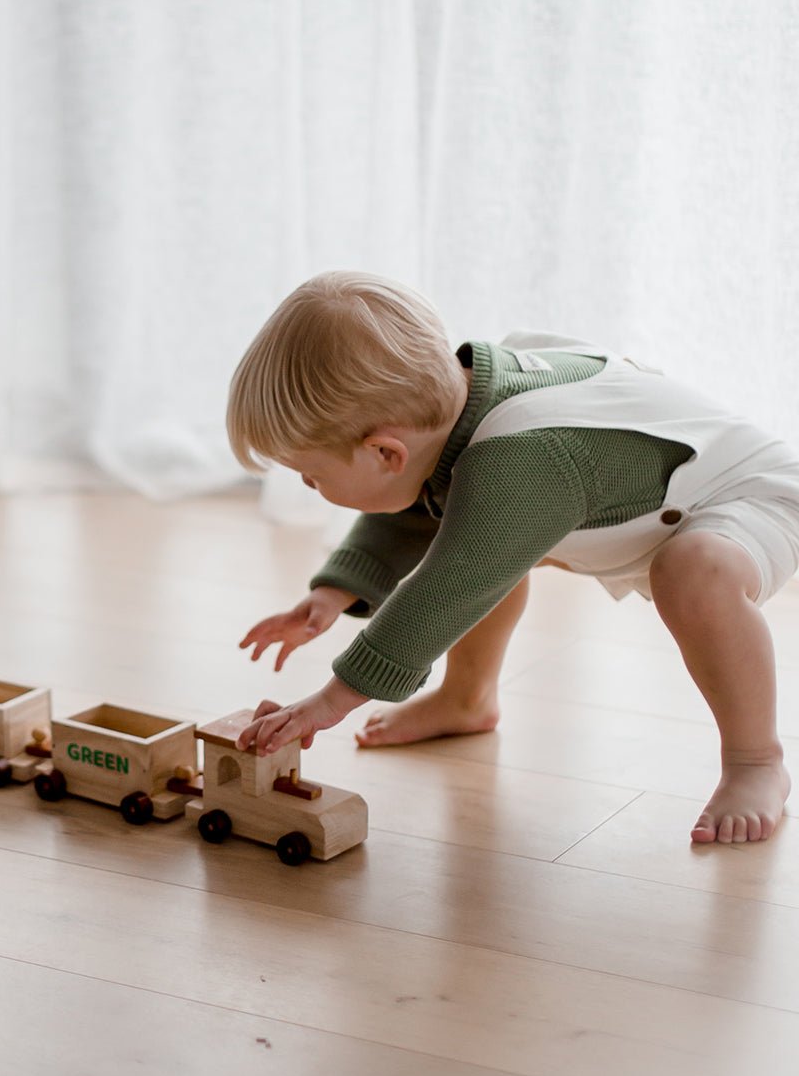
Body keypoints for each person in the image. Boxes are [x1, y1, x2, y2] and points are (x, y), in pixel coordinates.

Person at [226, 270, 799, 844]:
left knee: (692, 572)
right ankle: (466, 699)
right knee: (483, 542)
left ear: (384, 451)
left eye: (311, 475)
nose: (307, 483)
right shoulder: (456, 406)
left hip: (751, 497)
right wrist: (337, 589)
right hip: (628, 500)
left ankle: (756, 761)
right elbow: (412, 505)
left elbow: (445, 592)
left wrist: (332, 700)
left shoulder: (519, 462)